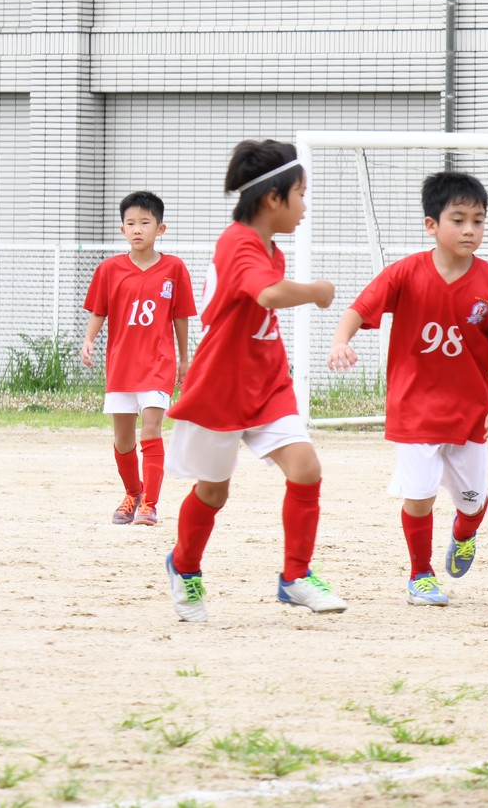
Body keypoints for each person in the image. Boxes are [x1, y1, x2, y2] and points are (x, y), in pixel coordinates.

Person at [162, 140, 345, 623]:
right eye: (301, 194)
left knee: (305, 466)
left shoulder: (268, 246)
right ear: (273, 198)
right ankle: (184, 567)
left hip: (266, 384)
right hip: (219, 389)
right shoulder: (238, 241)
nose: (305, 206)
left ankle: (295, 577)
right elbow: (266, 293)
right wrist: (318, 292)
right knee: (213, 493)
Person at [328, 171, 488, 606]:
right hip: (413, 407)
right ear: (432, 225)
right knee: (417, 495)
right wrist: (342, 340)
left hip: (470, 412)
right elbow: (358, 310)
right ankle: (421, 575)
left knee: (473, 502)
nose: (470, 229)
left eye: (478, 219)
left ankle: (465, 533)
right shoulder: (405, 273)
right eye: (458, 219)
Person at [81, 191, 195, 527]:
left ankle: (151, 506)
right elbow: (99, 310)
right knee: (123, 438)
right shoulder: (109, 269)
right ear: (122, 230)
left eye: (145, 222)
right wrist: (88, 340)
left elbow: (181, 317)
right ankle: (133, 494)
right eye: (130, 223)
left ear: (161, 229)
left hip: (158, 363)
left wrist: (184, 359)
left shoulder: (174, 268)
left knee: (150, 431)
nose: (137, 229)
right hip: (121, 365)